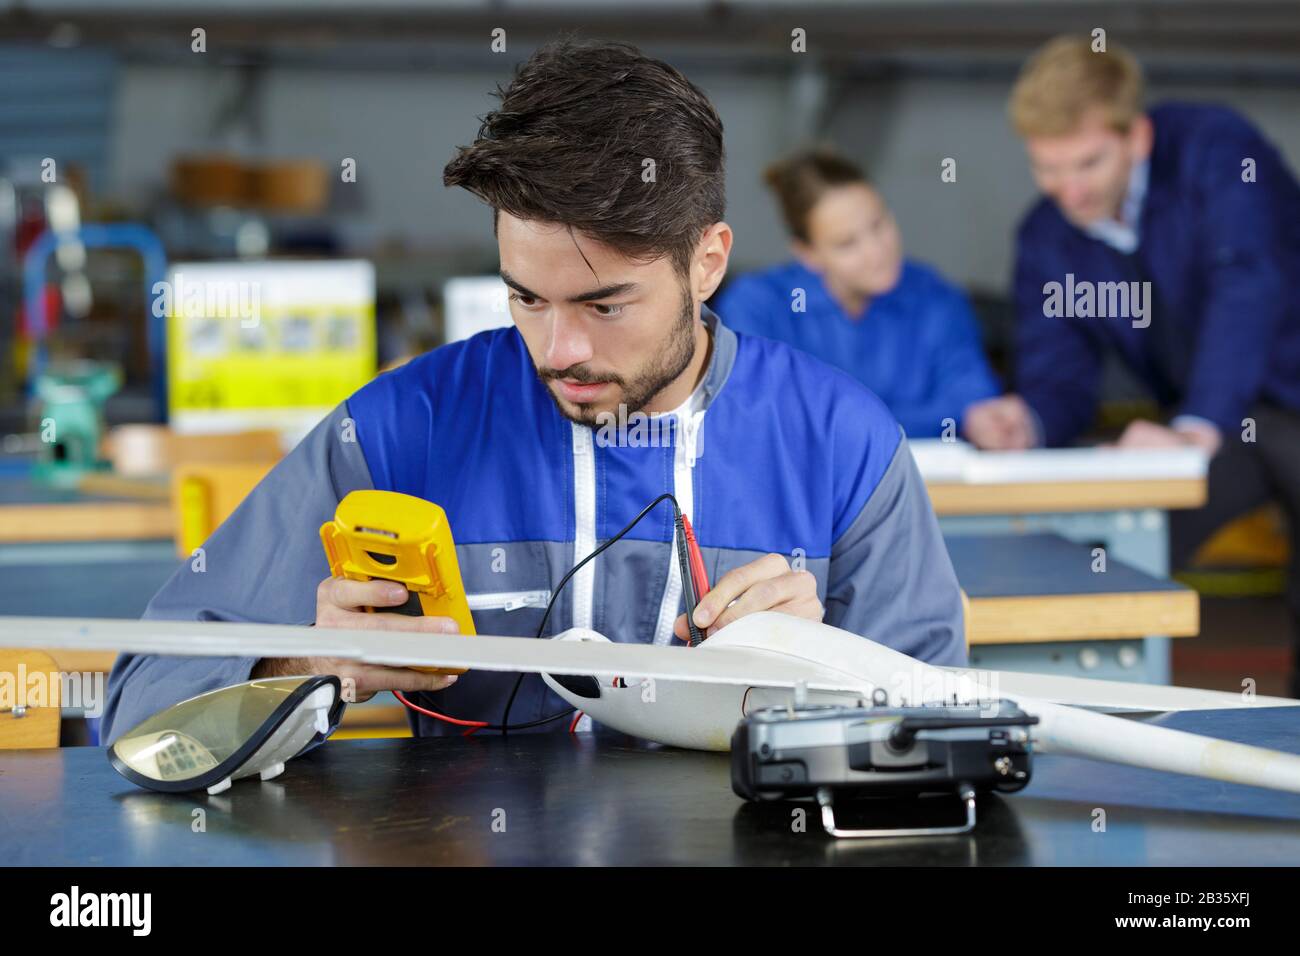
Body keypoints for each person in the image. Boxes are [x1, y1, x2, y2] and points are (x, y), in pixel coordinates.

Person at [102, 40, 967, 746]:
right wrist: (309, 670)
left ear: (707, 261)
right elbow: (141, 704)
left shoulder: (844, 444)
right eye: (526, 298)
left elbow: (951, 737)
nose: (560, 351)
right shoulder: (401, 431)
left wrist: (823, 672)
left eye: (605, 304)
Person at [964, 35, 1300, 695]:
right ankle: (1076, 729)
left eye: (1087, 163)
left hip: (1266, 398)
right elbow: (1059, 370)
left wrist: (1198, 422)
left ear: (1138, 138)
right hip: (1220, 421)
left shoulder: (1218, 150)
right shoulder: (1046, 237)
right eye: (1048, 168)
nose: (1069, 189)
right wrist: (1027, 418)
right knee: (1112, 557)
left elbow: (1247, 281)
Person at [711, 148, 1000, 439]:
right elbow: (760, 415)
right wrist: (936, 417)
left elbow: (978, 405)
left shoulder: (936, 297)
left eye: (878, 225)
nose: (876, 251)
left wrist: (832, 421)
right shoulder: (757, 305)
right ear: (808, 254)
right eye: (847, 243)